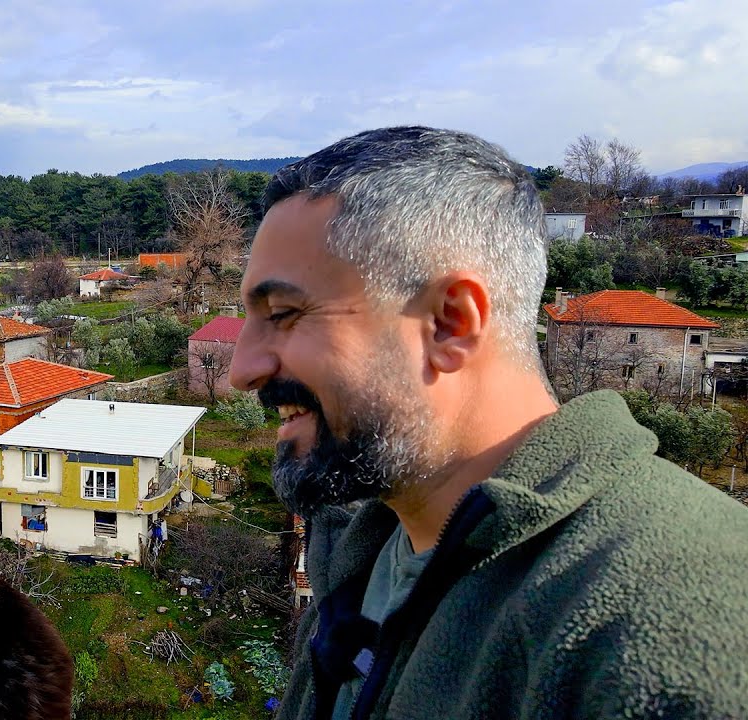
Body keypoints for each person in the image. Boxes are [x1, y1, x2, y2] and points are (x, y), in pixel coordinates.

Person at [230, 127, 748, 719]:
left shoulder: (672, 630)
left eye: (285, 314)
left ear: (450, 324)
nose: (241, 370)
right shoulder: (363, 560)